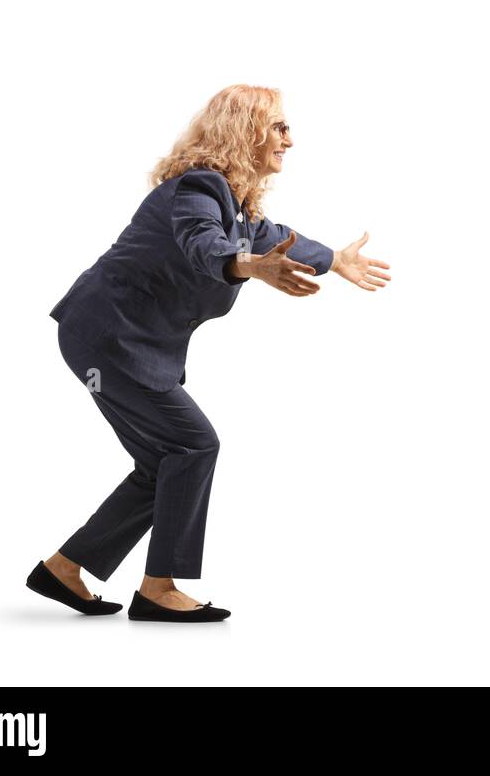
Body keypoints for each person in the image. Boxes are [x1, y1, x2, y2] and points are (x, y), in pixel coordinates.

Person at [26, 84, 391, 622]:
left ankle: (63, 569)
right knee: (193, 445)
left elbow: (272, 235)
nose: (290, 139)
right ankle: (159, 588)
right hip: (105, 340)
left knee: (163, 463)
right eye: (279, 127)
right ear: (245, 132)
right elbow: (206, 245)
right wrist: (249, 265)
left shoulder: (236, 209)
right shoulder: (197, 190)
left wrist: (335, 259)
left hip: (132, 346)